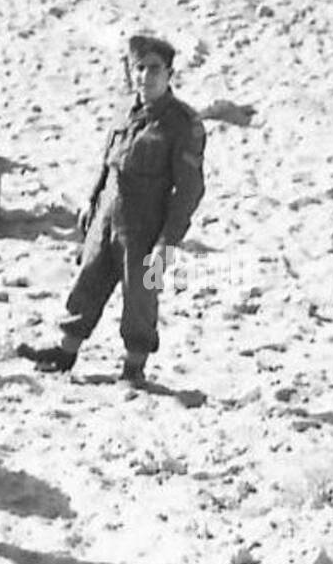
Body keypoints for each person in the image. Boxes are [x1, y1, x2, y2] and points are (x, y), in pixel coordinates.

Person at [17, 34, 206, 387]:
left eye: (154, 69)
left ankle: (134, 366)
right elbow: (108, 163)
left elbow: (189, 190)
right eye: (139, 68)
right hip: (108, 213)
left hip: (148, 224)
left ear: (169, 74)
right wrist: (92, 205)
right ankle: (65, 351)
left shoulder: (183, 124)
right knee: (88, 279)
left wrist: (168, 243)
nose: (145, 77)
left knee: (142, 295)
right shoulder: (125, 109)